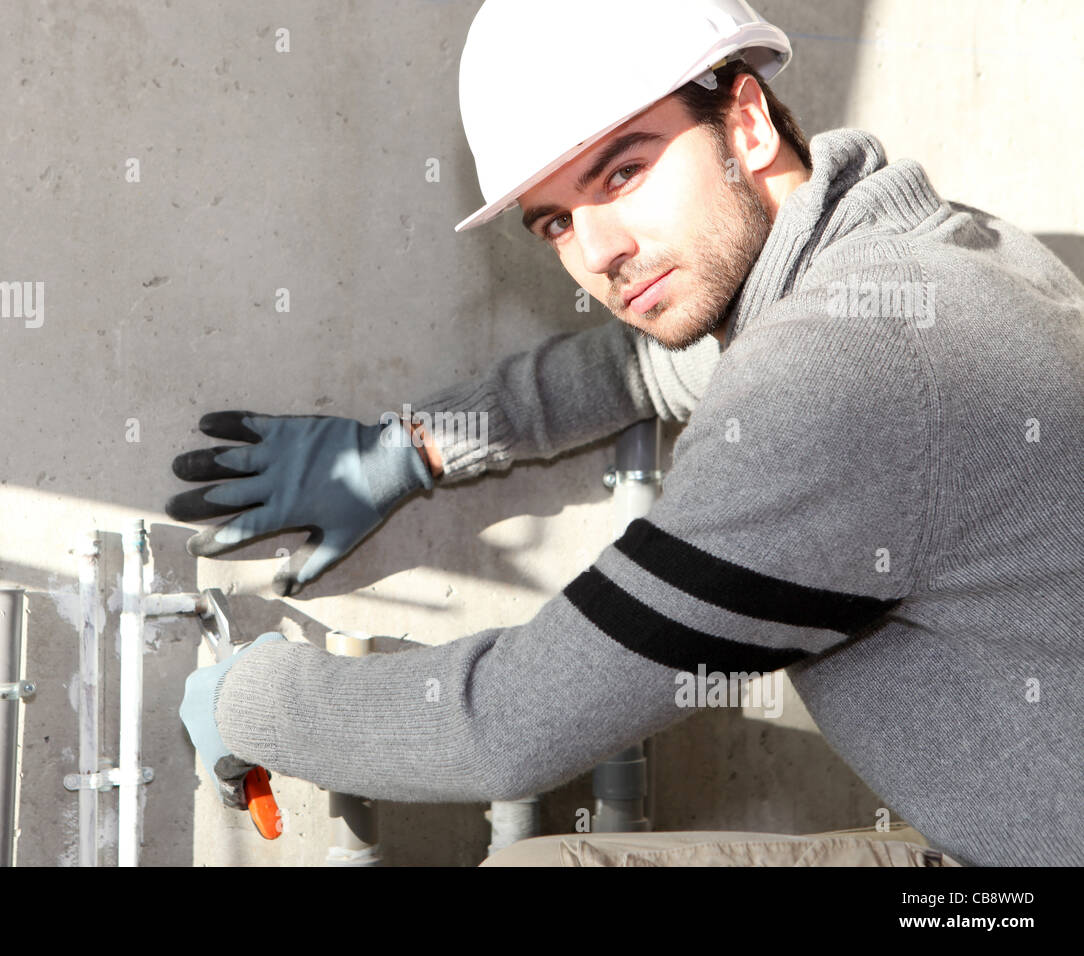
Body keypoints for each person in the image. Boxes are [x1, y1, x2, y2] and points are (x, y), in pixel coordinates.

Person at [170, 0, 1084, 866]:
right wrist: (415, 445)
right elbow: (641, 369)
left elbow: (505, 728)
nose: (599, 251)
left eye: (624, 171)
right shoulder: (923, 255)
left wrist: (247, 697)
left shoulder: (840, 374)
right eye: (558, 221)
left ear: (750, 122)